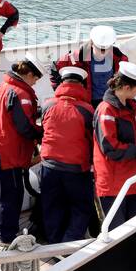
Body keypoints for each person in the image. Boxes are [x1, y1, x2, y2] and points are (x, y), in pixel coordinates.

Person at [0, 55, 44, 245]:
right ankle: (7, 237)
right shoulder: (21, 94)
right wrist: (43, 132)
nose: (35, 83)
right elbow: (25, 127)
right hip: (7, 153)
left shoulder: (0, 87)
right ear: (29, 74)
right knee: (12, 194)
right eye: (35, 79)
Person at [39, 65, 96, 242]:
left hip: (48, 165)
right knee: (81, 206)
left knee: (51, 206)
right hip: (76, 168)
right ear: (82, 85)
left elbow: (43, 128)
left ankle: (54, 244)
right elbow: (92, 139)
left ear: (62, 83)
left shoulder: (47, 104)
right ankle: (69, 244)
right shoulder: (87, 110)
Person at [94, 62, 136, 230]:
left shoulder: (133, 107)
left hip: (134, 180)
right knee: (117, 231)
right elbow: (110, 147)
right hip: (114, 185)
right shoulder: (106, 111)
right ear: (126, 87)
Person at [50, 25, 126, 105]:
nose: (103, 52)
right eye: (100, 49)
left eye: (107, 49)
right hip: (86, 102)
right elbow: (55, 68)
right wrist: (60, 90)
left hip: (109, 100)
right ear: (92, 43)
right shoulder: (77, 57)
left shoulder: (118, 57)